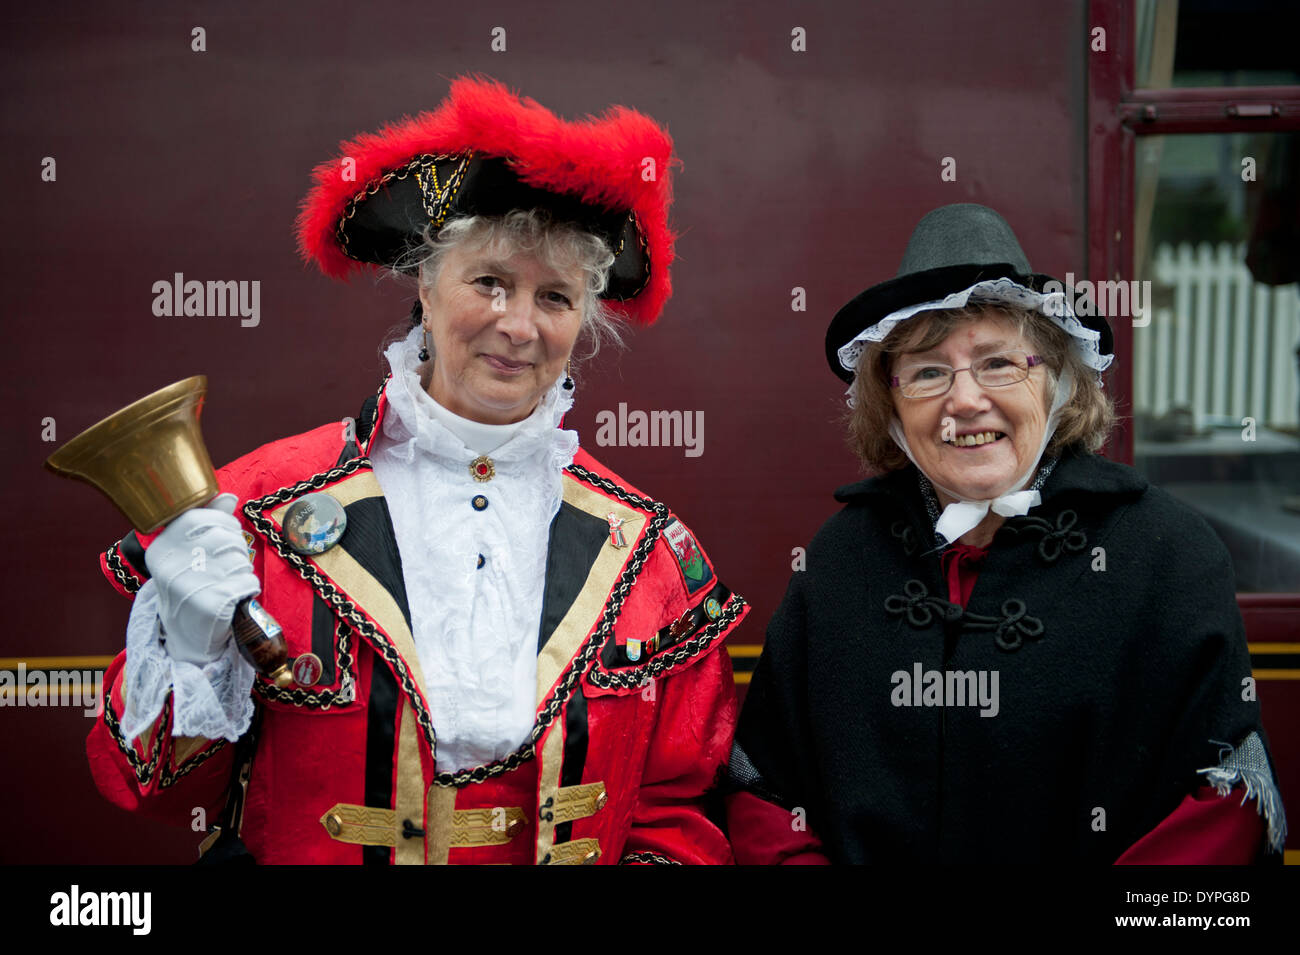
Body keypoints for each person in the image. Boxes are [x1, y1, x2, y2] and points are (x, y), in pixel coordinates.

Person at [86, 76, 748, 865]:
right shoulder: (257, 506)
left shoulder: (651, 553)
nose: (519, 325)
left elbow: (678, 809)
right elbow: (150, 793)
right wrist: (194, 658)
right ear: (424, 286)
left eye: (556, 297)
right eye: (489, 281)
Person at [726, 203, 1286, 864]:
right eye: (929, 371)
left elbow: (1215, 817)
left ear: (1058, 383)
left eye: (999, 363)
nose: (965, 400)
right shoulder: (841, 558)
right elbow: (766, 796)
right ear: (893, 405)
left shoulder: (1167, 554)